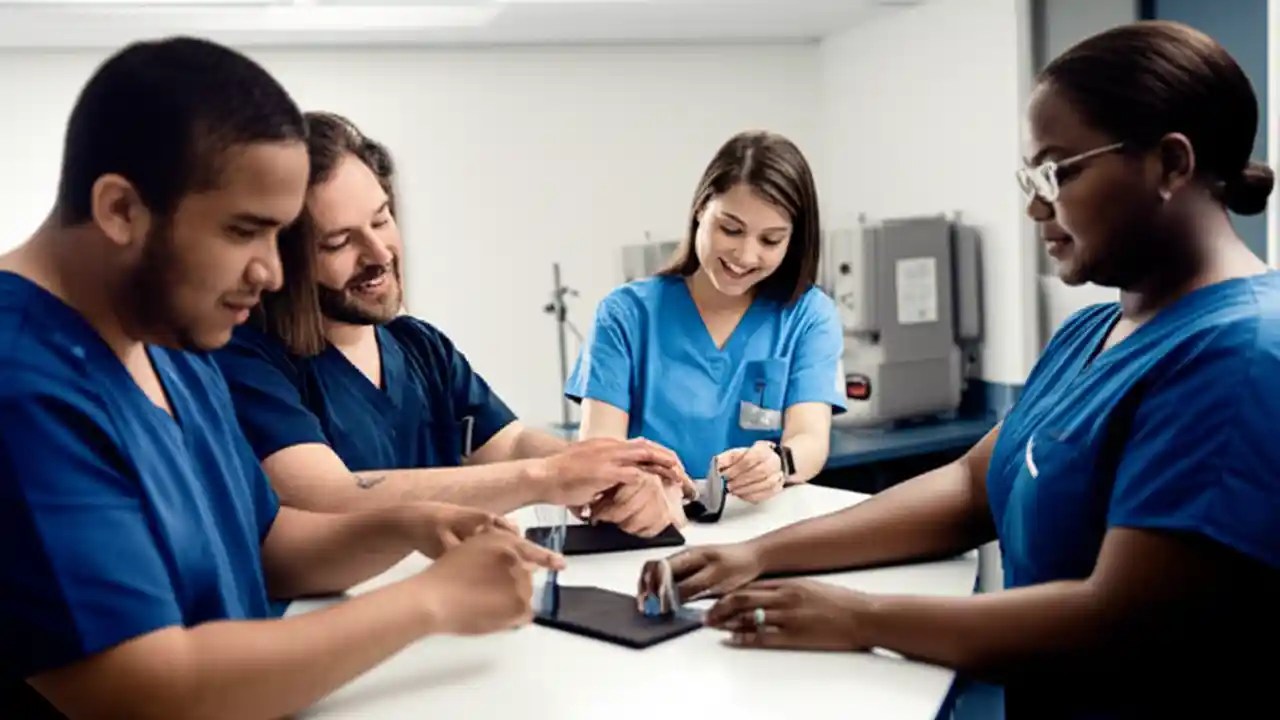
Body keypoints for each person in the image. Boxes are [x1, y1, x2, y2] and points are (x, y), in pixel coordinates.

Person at [652, 21, 1280, 719]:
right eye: (1029, 177)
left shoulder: (1240, 356)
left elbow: (1119, 621)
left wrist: (861, 618)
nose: (1034, 206)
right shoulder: (1092, 333)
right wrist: (760, 554)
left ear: (1170, 164)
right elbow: (972, 485)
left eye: (1057, 171)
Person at [0, 37, 563, 720]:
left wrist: (413, 525)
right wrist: (430, 601)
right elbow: (142, 690)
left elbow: (267, 544)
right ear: (121, 210)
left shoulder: (173, 335)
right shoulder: (23, 381)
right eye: (244, 232)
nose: (272, 274)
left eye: (281, 237)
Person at [211, 112, 687, 537]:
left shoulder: (419, 347)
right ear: (281, 259)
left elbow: (509, 445)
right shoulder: (249, 360)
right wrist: (546, 478)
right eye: (338, 242)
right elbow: (326, 496)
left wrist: (609, 474)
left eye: (381, 220)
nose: (378, 254)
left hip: (450, 593)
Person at [565, 130, 846, 527]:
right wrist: (641, 487)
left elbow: (810, 439)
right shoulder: (626, 315)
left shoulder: (808, 316)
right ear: (701, 209)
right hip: (651, 529)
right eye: (730, 229)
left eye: (770, 240)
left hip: (763, 529)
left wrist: (778, 462)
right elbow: (601, 452)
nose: (745, 255)